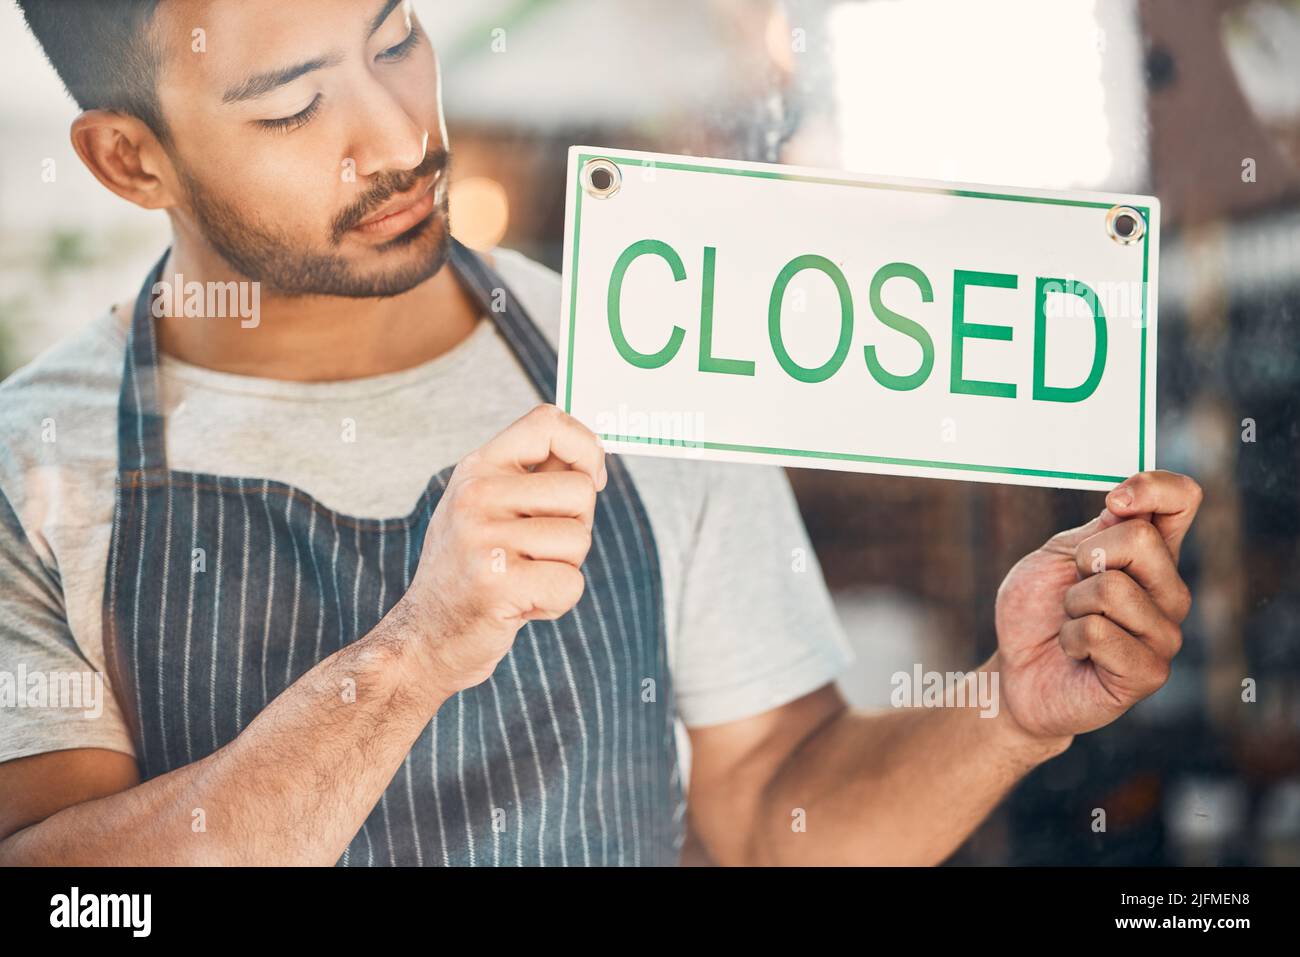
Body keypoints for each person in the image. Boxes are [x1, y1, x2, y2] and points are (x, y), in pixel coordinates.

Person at [0, 0, 1202, 866]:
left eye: (396, 38)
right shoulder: (33, 467)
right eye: (298, 105)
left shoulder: (644, 351)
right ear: (130, 157)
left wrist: (1003, 711)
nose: (398, 135)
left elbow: (770, 818)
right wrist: (413, 655)